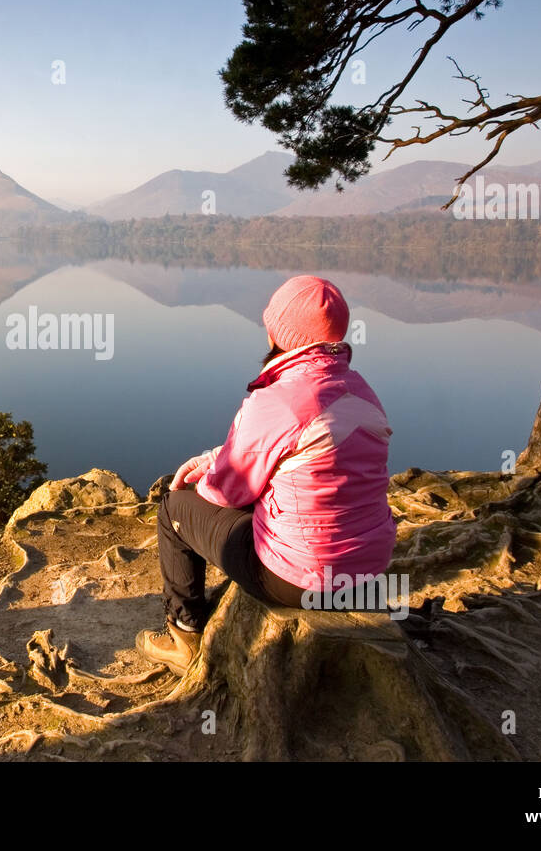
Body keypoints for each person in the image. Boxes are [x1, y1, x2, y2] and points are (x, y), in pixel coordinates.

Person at [135, 275, 396, 675]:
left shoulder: (281, 399)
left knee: (175, 508)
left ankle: (183, 635)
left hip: (301, 582)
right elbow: (305, 455)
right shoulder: (362, 392)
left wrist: (204, 478)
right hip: (368, 569)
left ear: (281, 333)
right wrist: (216, 456)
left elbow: (228, 490)